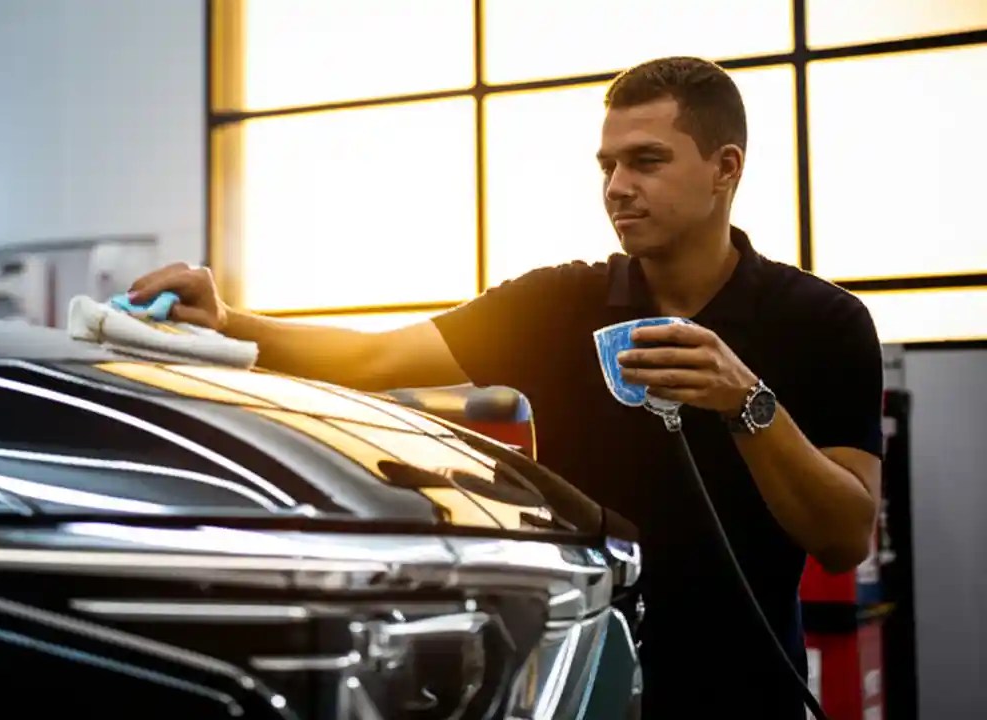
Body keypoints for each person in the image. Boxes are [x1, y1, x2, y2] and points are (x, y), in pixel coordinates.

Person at [127, 56, 883, 718]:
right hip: (581, 681)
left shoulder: (824, 322)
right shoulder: (559, 303)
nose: (618, 188)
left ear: (726, 168)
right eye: (607, 166)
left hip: (744, 695)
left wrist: (746, 403)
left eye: (647, 161)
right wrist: (226, 321)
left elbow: (845, 539)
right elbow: (374, 360)